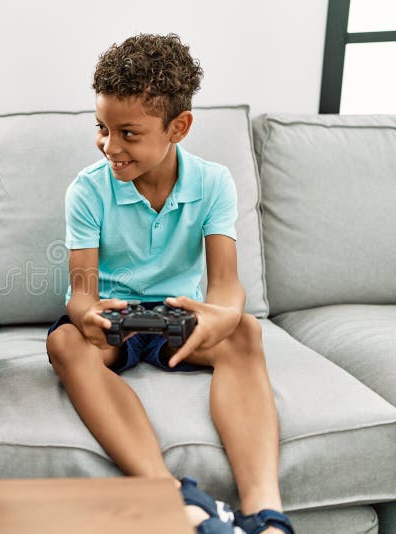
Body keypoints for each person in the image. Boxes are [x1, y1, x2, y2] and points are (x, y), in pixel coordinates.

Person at [45, 34, 293, 534]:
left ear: (178, 127)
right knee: (65, 342)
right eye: (102, 129)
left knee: (244, 331)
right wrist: (86, 316)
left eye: (129, 133)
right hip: (114, 319)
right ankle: (171, 497)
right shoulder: (88, 190)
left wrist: (221, 315)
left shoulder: (213, 182)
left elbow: (226, 286)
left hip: (179, 314)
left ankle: (267, 513)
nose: (110, 146)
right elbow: (82, 295)